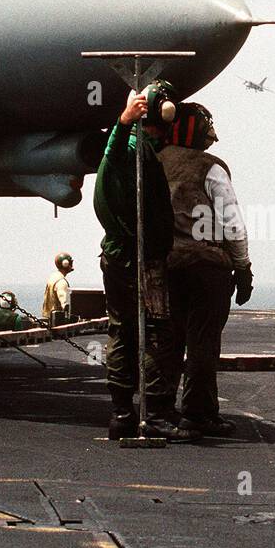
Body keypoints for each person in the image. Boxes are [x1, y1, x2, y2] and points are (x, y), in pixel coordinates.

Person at [93, 85, 191, 442]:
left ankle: (122, 414)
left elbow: (111, 154)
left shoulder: (132, 148)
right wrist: (123, 121)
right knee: (158, 333)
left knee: (122, 331)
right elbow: (116, 151)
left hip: (118, 256)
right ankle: (157, 414)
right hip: (141, 259)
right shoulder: (137, 149)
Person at [158, 103, 252, 437]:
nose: (212, 135)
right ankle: (198, 415)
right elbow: (232, 223)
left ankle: (160, 412)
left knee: (167, 341)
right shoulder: (210, 168)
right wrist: (243, 269)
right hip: (207, 268)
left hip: (165, 266)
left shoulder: (153, 163)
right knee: (202, 342)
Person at [42, 252, 73, 325]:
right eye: (70, 262)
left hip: (48, 317)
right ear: (66, 263)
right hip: (57, 320)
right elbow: (64, 300)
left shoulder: (53, 277)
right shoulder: (61, 282)